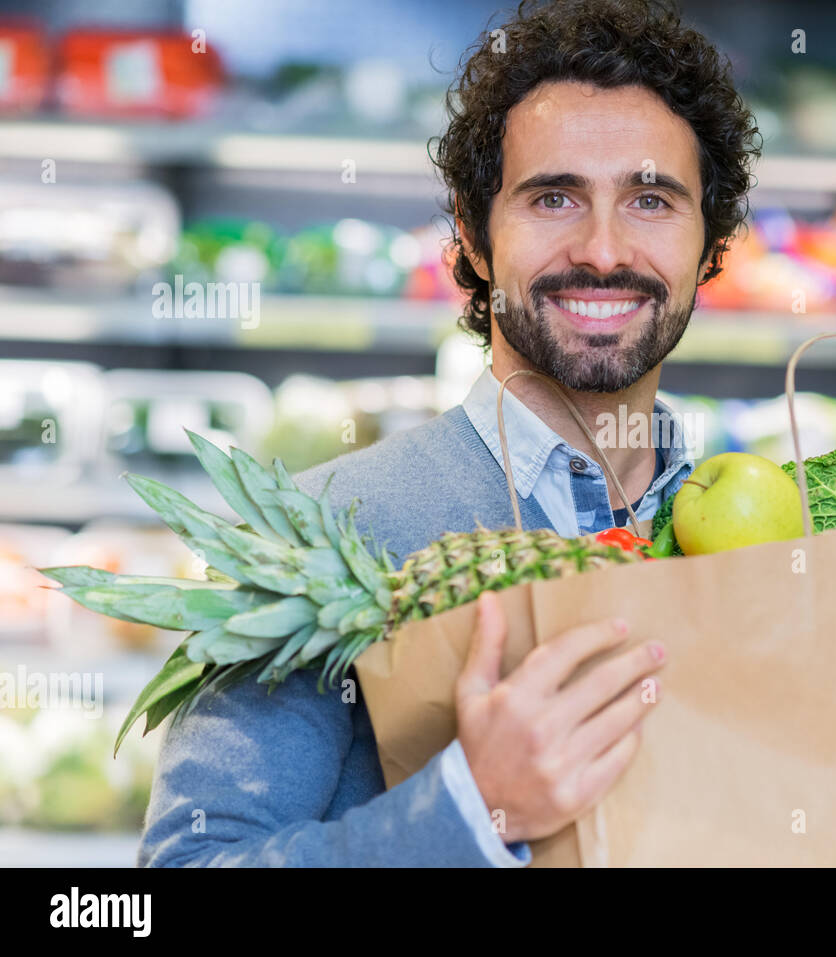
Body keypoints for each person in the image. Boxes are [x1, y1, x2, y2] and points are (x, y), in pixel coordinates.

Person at [138, 0, 761, 866]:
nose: (605, 249)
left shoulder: (779, 545)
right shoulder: (317, 535)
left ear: (711, 244)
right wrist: (474, 809)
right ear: (471, 235)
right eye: (554, 197)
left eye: (652, 199)